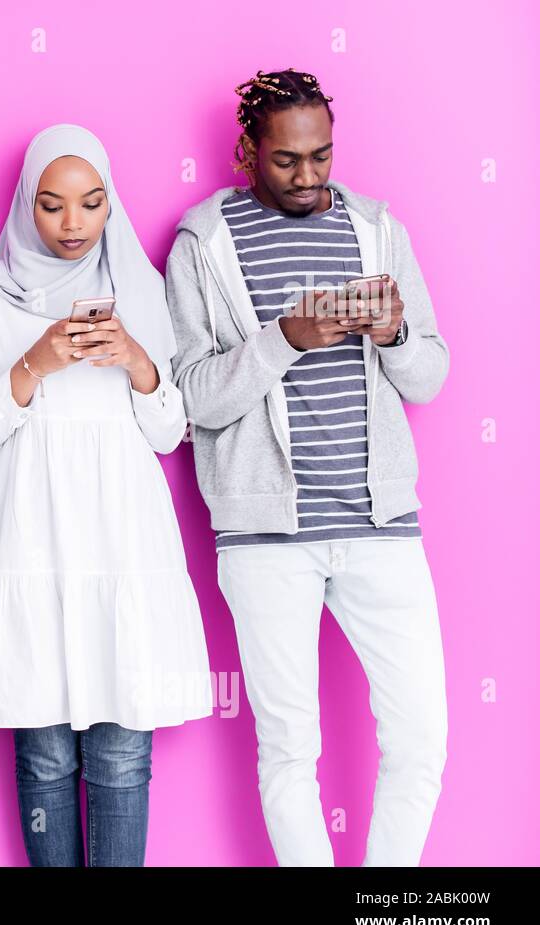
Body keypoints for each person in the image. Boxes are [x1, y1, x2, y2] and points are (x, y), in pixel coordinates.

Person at [165, 69, 450, 866]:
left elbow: (430, 374)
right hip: (265, 537)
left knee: (422, 737)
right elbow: (194, 398)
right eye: (286, 160)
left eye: (321, 156)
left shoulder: (375, 228)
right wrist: (282, 338)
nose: (308, 177)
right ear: (246, 152)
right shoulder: (203, 244)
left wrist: (393, 333)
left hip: (382, 522)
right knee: (290, 750)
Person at [0, 124, 212, 867]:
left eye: (92, 204)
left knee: (124, 755)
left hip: (123, 531)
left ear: (110, 205)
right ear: (24, 206)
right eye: (53, 205)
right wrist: (33, 364)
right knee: (42, 756)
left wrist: (135, 357)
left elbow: (170, 434)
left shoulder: (140, 286)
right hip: (31, 528)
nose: (73, 225)